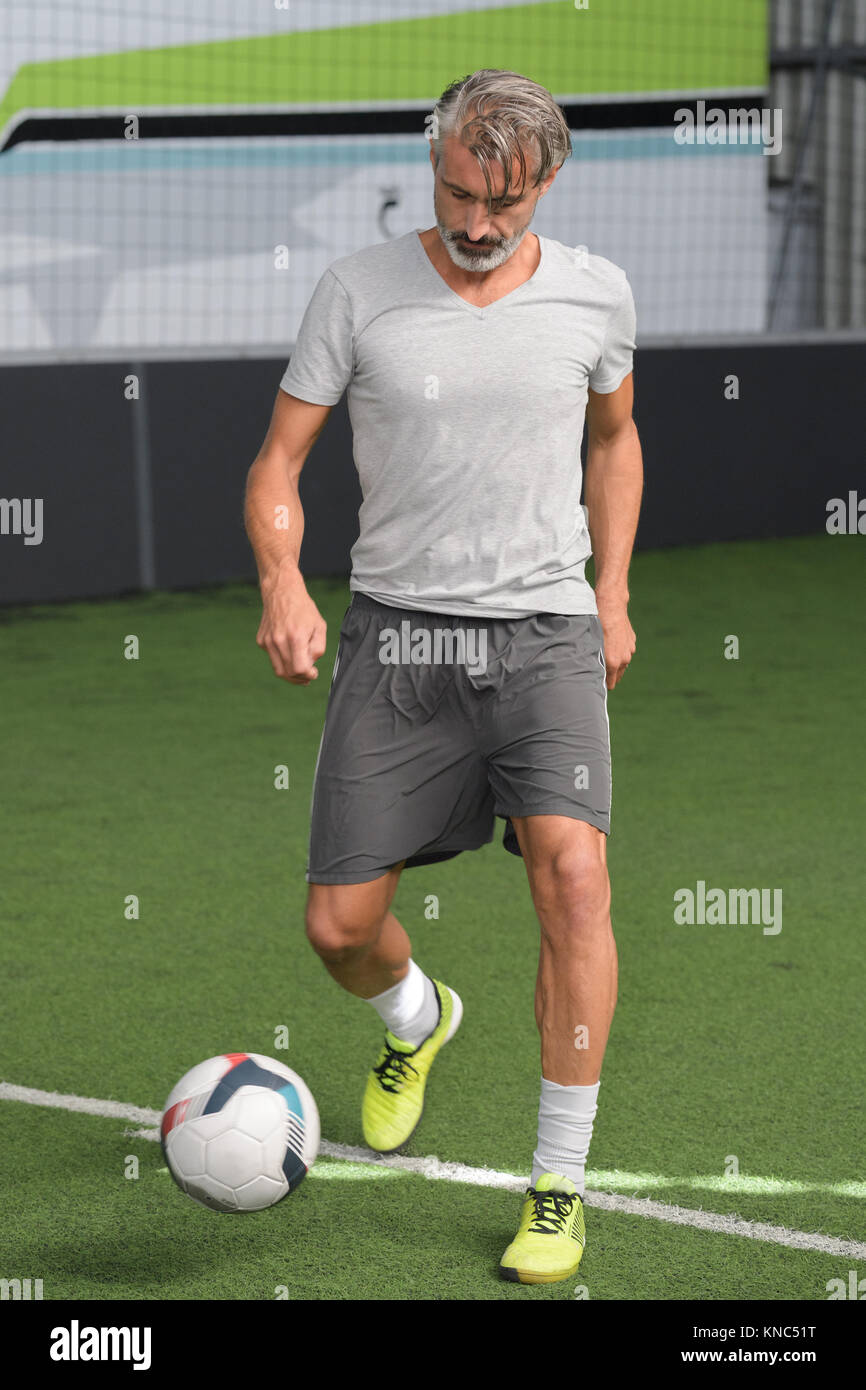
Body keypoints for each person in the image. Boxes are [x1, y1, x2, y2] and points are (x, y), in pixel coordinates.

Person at [245, 68, 642, 1286]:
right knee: (337, 926)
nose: (477, 224)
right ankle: (416, 1020)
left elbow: (613, 439)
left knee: (574, 880)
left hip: (542, 632)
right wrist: (281, 580)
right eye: (459, 194)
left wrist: (611, 595)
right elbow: (278, 463)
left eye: (503, 205)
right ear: (434, 161)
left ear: (547, 183)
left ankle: (556, 1184)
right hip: (399, 639)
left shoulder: (595, 295)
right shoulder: (356, 291)